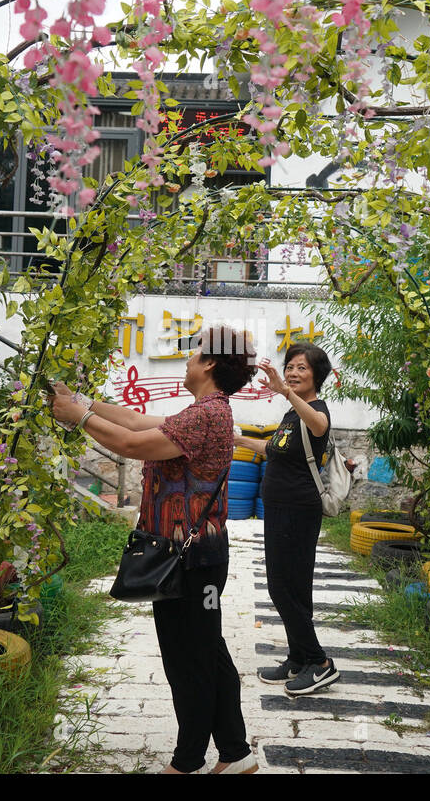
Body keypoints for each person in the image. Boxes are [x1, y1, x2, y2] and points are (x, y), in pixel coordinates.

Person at [49, 326, 258, 774]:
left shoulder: (206, 416)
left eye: (194, 354)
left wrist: (77, 418)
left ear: (210, 364)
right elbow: (134, 421)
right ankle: (236, 755)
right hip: (191, 556)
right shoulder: (203, 411)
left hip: (192, 559)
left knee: (189, 662)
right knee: (207, 652)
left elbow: (129, 444)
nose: (187, 361)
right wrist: (81, 403)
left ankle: (186, 762)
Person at [235, 343, 340, 697]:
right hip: (279, 509)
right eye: (290, 367)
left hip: (298, 510)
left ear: (316, 376)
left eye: (302, 369)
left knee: (283, 587)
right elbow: (274, 449)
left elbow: (320, 426)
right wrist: (238, 439)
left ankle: (320, 663)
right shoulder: (290, 416)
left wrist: (284, 391)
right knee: (293, 587)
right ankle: (298, 658)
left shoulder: (314, 410)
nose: (293, 373)